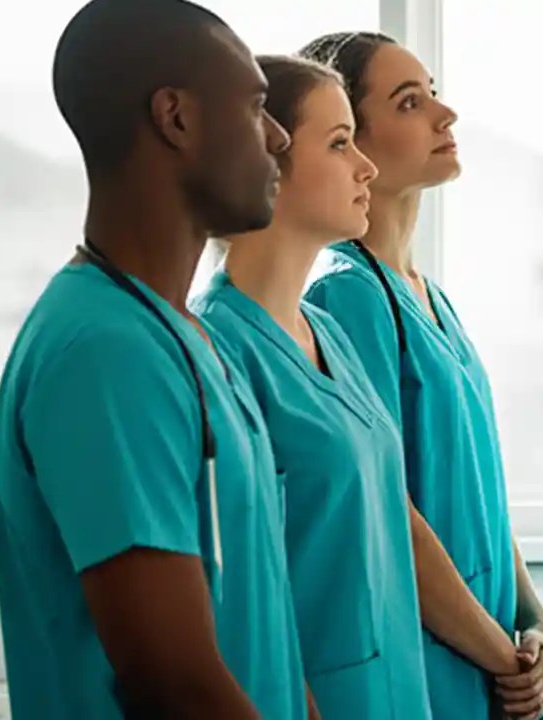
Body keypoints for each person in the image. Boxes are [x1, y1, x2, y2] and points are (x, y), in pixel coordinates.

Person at [0, 1, 309, 718]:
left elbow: (257, 633)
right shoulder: (104, 354)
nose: (279, 136)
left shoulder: (183, 338)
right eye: (257, 105)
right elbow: (176, 683)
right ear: (177, 117)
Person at [298, 32, 543, 720]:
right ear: (349, 134)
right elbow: (390, 516)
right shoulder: (347, 297)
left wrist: (534, 623)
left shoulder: (430, 297)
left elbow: (481, 491)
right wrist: (500, 655)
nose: (446, 117)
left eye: (434, 94)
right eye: (411, 102)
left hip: (491, 654)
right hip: (432, 656)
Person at [189, 55, 433, 719]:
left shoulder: (328, 331)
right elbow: (230, 595)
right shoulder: (218, 347)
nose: (367, 167)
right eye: (339, 143)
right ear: (266, 156)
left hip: (396, 689)